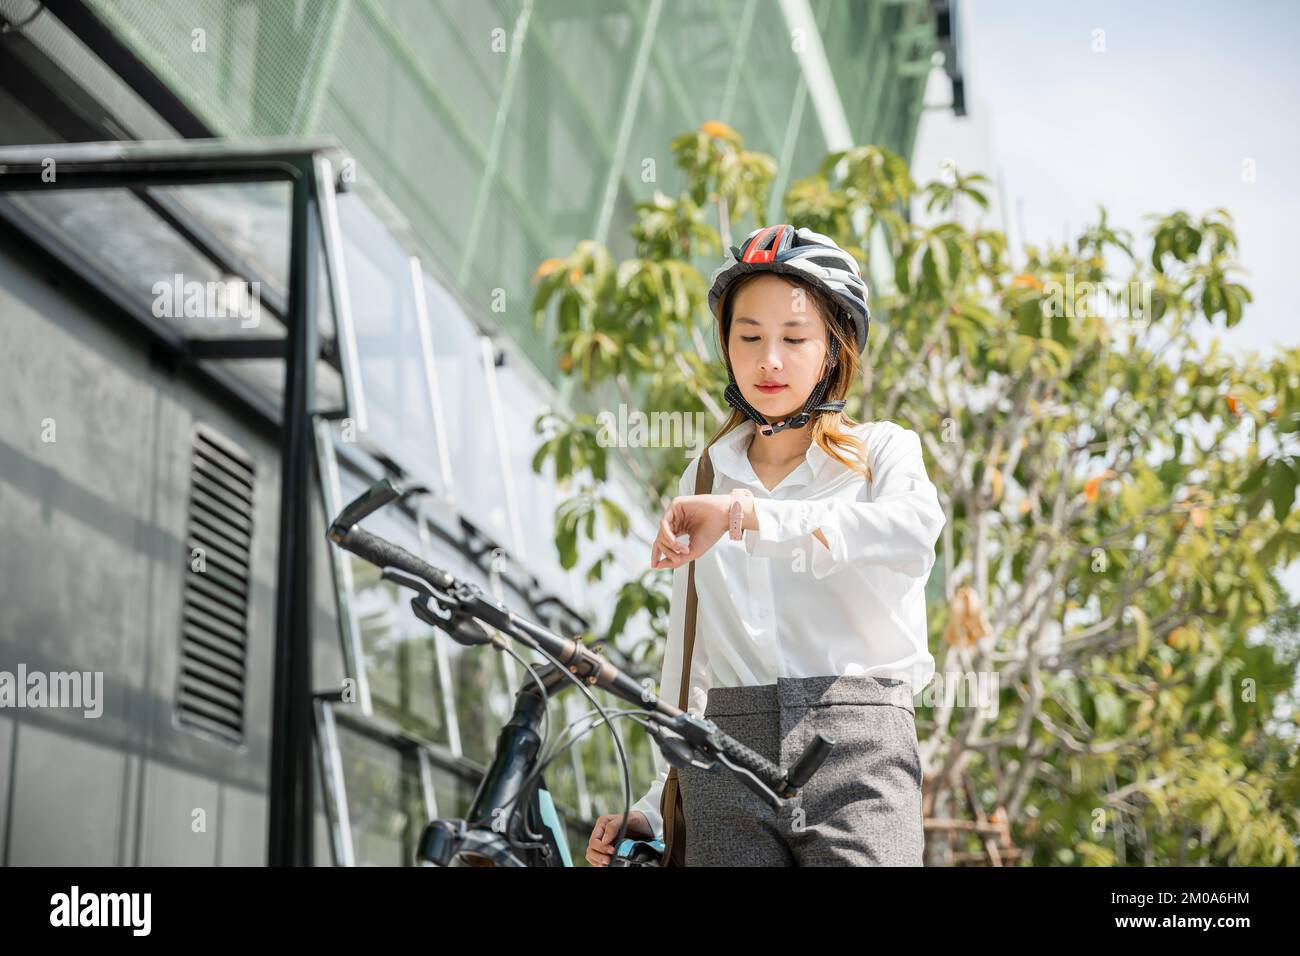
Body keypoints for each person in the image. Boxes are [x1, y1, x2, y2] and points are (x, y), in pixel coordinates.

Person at [585, 224, 945, 866]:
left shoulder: (884, 451)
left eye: (794, 338)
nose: (768, 360)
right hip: (721, 752)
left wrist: (746, 518)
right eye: (748, 337)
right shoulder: (704, 475)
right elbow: (688, 655)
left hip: (857, 743)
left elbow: (913, 533)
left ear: (835, 350)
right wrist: (654, 799)